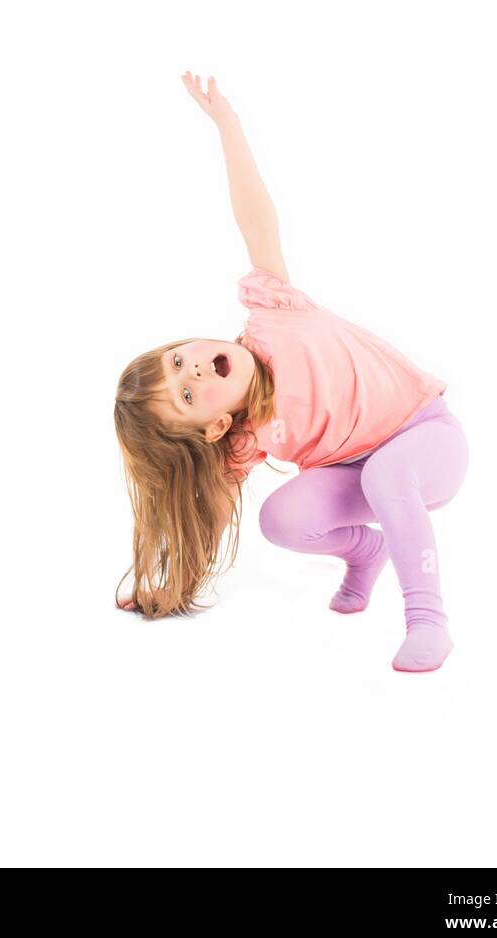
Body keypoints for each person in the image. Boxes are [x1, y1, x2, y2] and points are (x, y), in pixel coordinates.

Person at [113, 75, 467, 672]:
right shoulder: (244, 437)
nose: (194, 367)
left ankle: (428, 619)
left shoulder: (272, 312)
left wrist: (227, 125)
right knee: (281, 518)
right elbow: (214, 513)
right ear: (214, 425)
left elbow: (256, 219)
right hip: (362, 476)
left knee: (386, 472)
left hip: (428, 438)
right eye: (188, 392)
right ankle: (366, 552)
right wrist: (167, 587)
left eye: (179, 362)